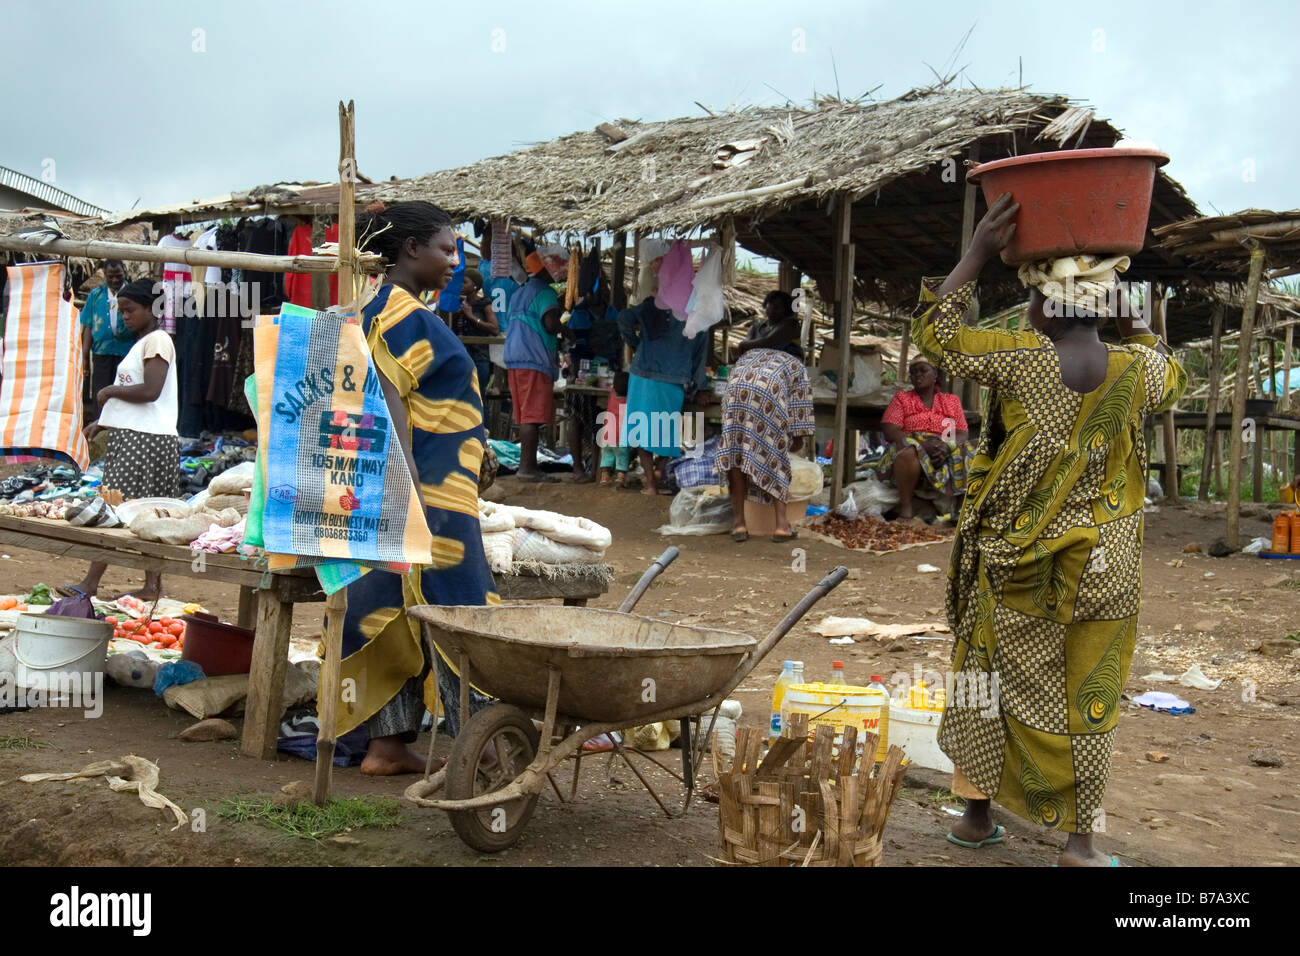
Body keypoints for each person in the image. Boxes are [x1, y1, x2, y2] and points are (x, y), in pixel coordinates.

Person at [917, 193, 1186, 867]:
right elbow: (1173, 368)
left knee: (985, 673)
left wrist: (979, 249)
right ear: (1108, 307)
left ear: (1040, 306)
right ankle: (1079, 842)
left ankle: (978, 815)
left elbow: (937, 334)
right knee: (1088, 696)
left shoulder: (1016, 360)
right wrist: (1136, 324)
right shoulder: (1143, 370)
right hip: (1104, 571)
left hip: (1014, 564)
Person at [345, 200, 501, 775]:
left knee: (388, 606)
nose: (455, 260)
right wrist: (406, 487)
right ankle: (480, 745)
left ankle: (386, 747)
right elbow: (386, 403)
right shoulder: (396, 311)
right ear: (410, 249)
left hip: (408, 487)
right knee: (462, 610)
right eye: (446, 247)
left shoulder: (381, 307)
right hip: (426, 492)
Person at [63, 278, 180, 601]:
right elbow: (137, 399)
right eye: (122, 310)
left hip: (146, 440)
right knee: (140, 511)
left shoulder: (158, 341)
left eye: (130, 310)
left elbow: (150, 391)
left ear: (150, 309)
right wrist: (102, 422)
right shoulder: (143, 343)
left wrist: (108, 391)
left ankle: (92, 582)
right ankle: (150, 585)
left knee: (117, 508)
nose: (125, 316)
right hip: (138, 437)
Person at [716, 299, 815, 542]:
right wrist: (793, 442)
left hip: (736, 388)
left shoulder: (750, 355)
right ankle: (781, 525)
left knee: (735, 454)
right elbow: (800, 415)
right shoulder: (795, 365)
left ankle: (739, 524)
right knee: (777, 453)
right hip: (767, 391)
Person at [617, 290, 708, 495]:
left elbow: (623, 318)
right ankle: (658, 472)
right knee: (667, 432)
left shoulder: (655, 304)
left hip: (643, 374)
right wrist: (700, 386)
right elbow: (700, 357)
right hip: (673, 379)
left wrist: (635, 344)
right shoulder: (698, 315)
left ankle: (650, 483)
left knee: (641, 431)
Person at [878, 358, 975, 522]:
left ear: (935, 374)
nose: (918, 375)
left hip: (943, 446)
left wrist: (945, 447)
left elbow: (961, 433)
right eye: (914, 372)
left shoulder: (951, 401)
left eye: (923, 370)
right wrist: (922, 445)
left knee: (972, 449)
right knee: (908, 451)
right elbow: (890, 430)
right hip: (912, 443)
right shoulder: (902, 399)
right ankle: (906, 507)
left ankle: (959, 510)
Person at [504, 253, 563, 482]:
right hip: (534, 358)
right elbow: (549, 324)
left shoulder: (519, 292)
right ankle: (527, 469)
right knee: (532, 416)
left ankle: (526, 465)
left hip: (515, 358)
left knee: (524, 414)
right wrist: (565, 330)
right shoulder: (545, 292)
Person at [563, 282, 621, 483]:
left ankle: (596, 469)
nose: (589, 295)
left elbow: (619, 343)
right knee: (575, 417)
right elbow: (575, 346)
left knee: (601, 418)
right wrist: (580, 374)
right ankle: (578, 469)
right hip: (581, 372)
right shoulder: (579, 314)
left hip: (608, 373)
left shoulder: (613, 313)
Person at [80, 260, 135, 415]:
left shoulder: (132, 293)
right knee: (101, 392)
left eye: (118, 275)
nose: (115, 280)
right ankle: (100, 428)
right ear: (104, 275)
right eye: (110, 276)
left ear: (125, 271)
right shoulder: (95, 295)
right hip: (101, 352)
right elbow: (88, 326)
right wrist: (85, 358)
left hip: (126, 351)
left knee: (124, 391)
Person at [449, 267, 498, 395]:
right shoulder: (457, 304)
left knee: (478, 397)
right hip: (459, 357)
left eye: (464, 282)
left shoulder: (484, 304)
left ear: (475, 286)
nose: (460, 285)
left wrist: (472, 317)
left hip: (478, 359)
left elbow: (494, 329)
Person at [598, 371, 631, 487]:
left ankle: (605, 477)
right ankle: (620, 478)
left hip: (607, 436)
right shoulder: (630, 399)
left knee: (607, 457)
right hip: (621, 438)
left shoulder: (612, 394)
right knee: (622, 457)